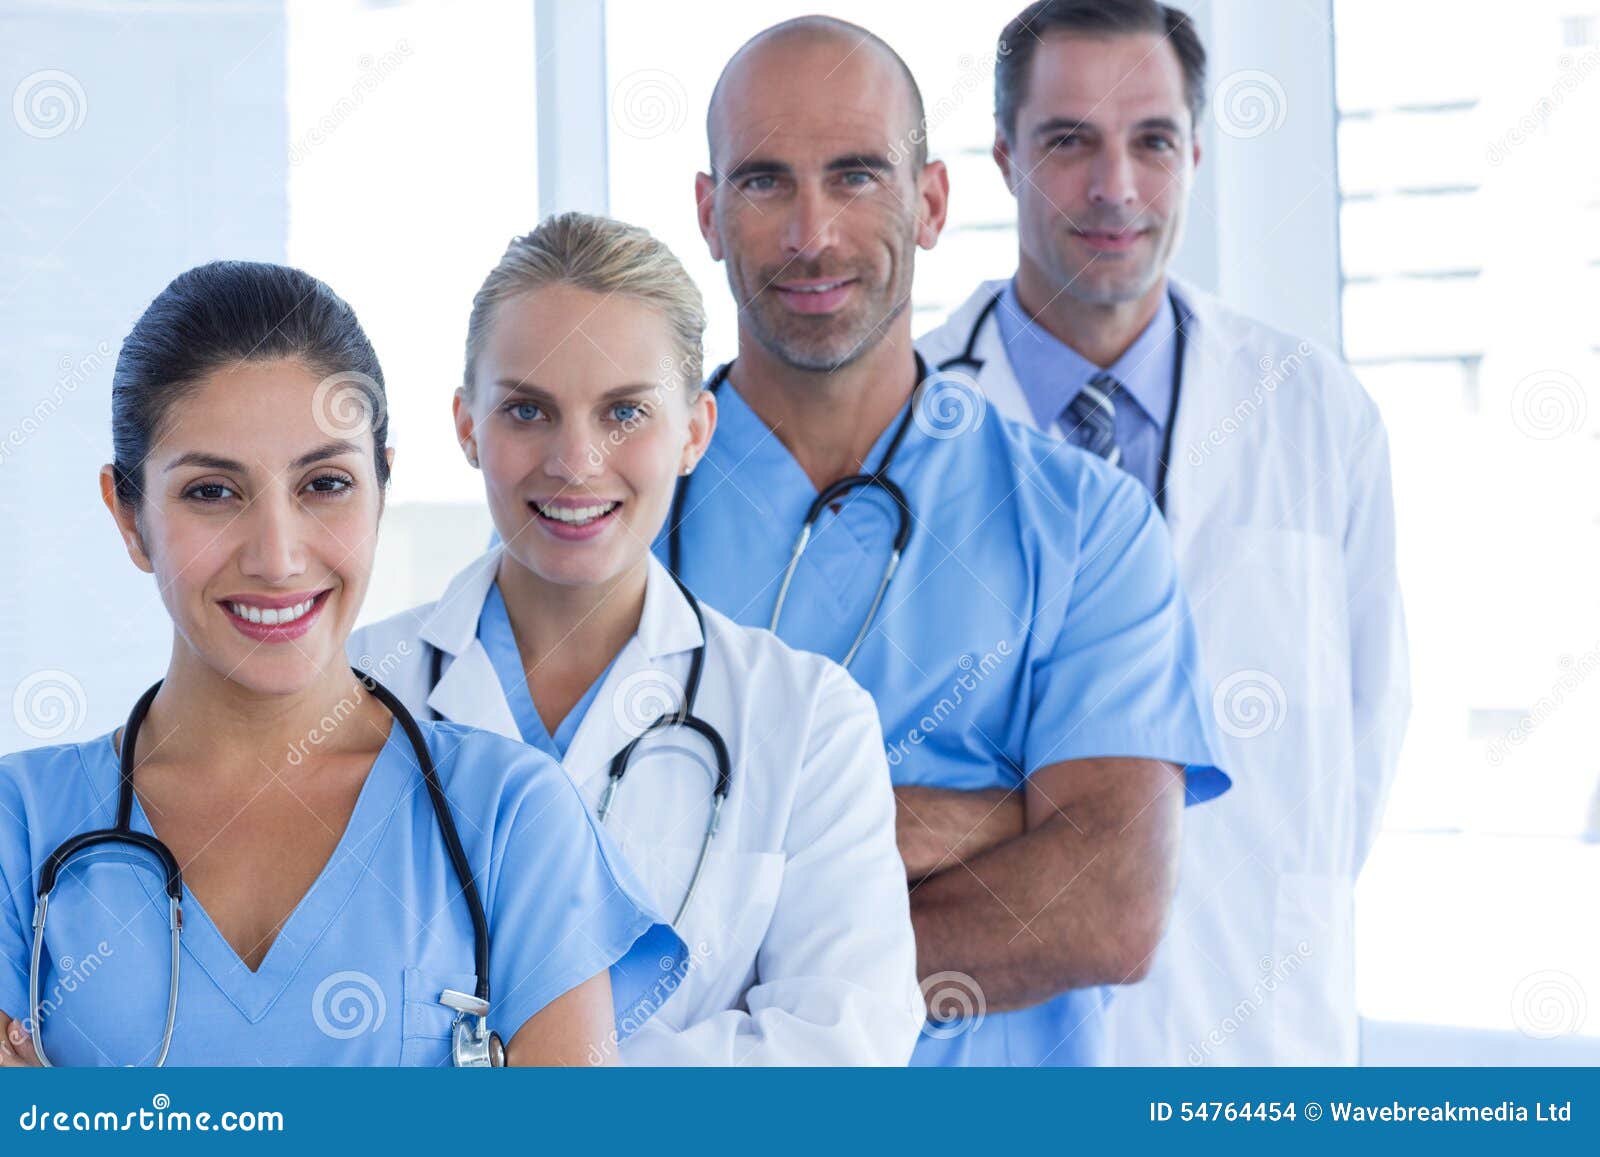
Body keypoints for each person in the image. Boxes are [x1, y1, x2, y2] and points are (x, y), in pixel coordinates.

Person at [661, 16, 1230, 1068]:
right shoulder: (616, 513)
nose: (812, 234)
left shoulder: (1086, 523)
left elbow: (1107, 904)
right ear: (709, 212)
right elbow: (557, 884)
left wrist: (736, 925)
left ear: (930, 203)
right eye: (765, 181)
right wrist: (1004, 818)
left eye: (857, 176)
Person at [0, 261, 684, 1068]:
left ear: (381, 489)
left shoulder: (511, 818)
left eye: (325, 483)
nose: (278, 555)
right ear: (128, 514)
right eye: (212, 492)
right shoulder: (21, 826)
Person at [917, 0, 1410, 1065]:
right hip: (985, 1053)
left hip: (1253, 1040)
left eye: (1150, 141)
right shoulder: (907, 429)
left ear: (1193, 153)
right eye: (1069, 142)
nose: (1115, 187)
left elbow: (1363, 740)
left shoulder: (1313, 413)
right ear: (1004, 158)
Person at [350, 212, 923, 1066]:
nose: (576, 461)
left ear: (695, 430)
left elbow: (843, 1047)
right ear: (467, 425)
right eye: (527, 410)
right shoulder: (351, 690)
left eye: (625, 412)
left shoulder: (807, 719)